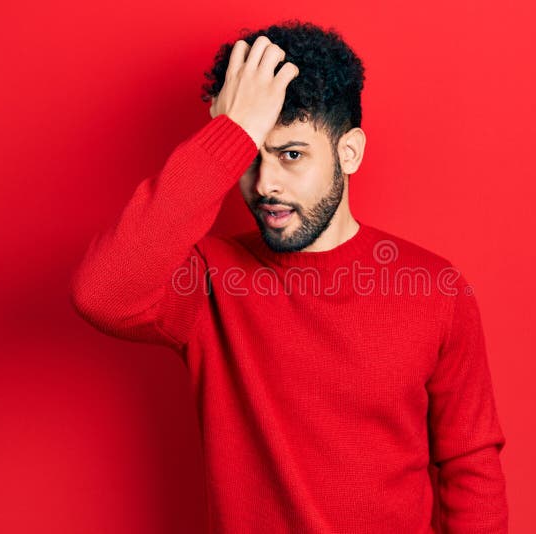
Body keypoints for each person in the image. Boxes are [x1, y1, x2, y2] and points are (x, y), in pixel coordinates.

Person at [69, 19, 508, 534]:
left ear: (349, 152)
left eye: (291, 154)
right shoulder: (209, 282)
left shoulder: (436, 290)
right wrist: (228, 136)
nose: (265, 184)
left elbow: (470, 466)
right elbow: (101, 293)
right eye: (250, 156)